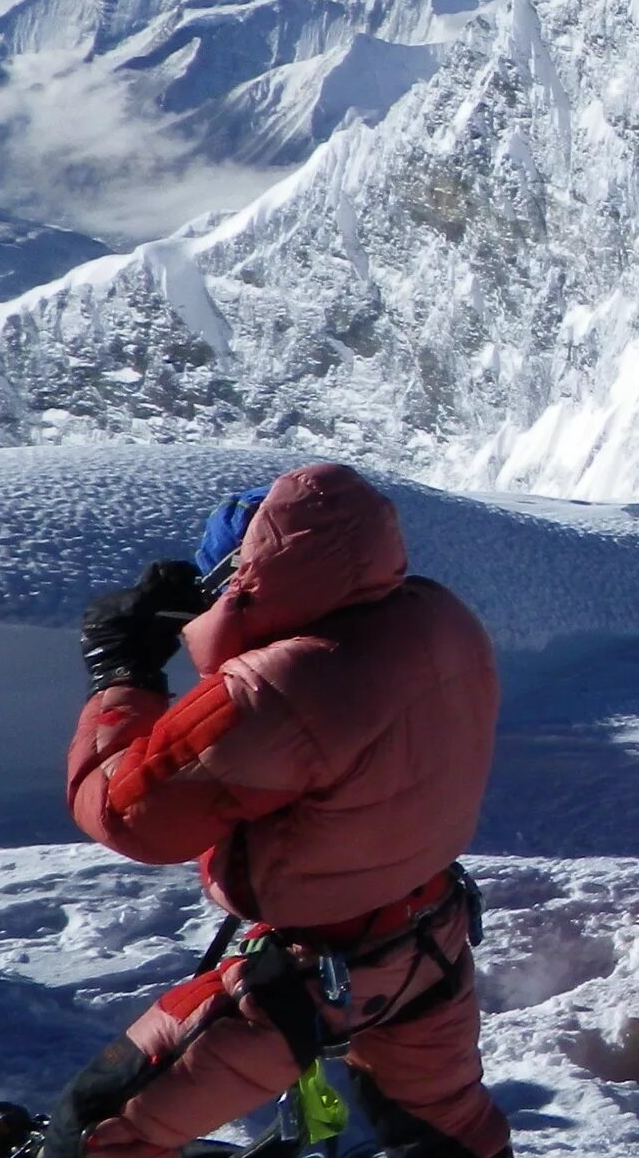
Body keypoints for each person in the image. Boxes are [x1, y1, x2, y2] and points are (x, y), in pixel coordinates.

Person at [49, 464, 507, 1158]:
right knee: (451, 1132)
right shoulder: (437, 616)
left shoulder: (279, 687)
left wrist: (122, 674)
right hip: (430, 936)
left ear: (246, 577)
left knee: (100, 1133)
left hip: (314, 975)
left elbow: (126, 812)